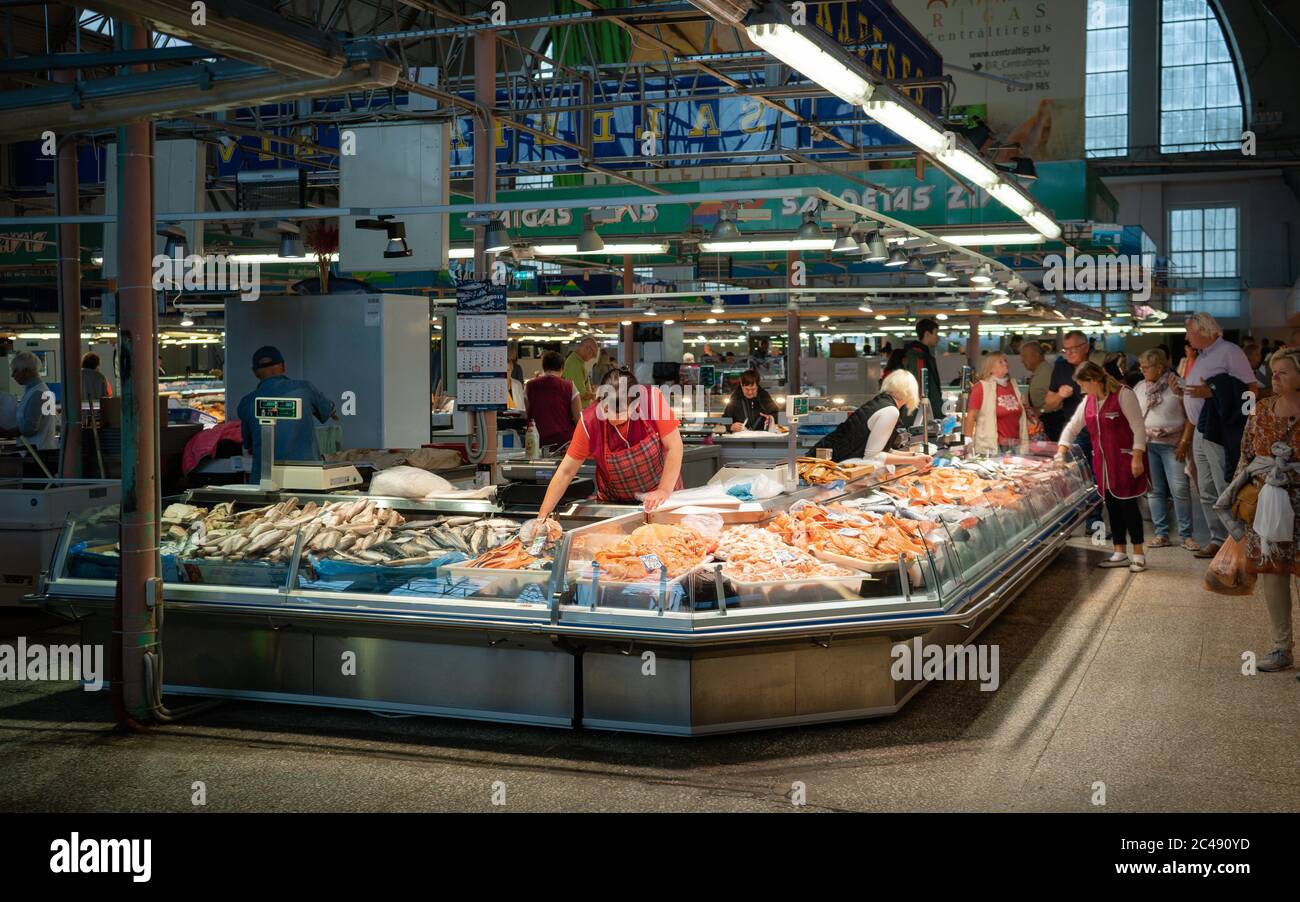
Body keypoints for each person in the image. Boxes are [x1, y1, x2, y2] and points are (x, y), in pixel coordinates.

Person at [529, 368, 684, 524]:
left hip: (661, 499)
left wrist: (663, 490)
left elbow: (674, 446)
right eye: (606, 410)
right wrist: (542, 515)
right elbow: (566, 472)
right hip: (618, 505)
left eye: (621, 412)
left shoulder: (652, 401)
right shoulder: (589, 421)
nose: (613, 418)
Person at [1228, 346, 1300, 672]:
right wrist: (1235, 493)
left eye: (1283, 372)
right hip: (1267, 506)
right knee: (1272, 576)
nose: (1275, 377)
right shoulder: (1262, 409)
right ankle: (1281, 647)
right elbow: (1245, 454)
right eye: (1274, 372)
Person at [1178, 313, 1260, 559]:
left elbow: (1250, 388)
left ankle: (1239, 540)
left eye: (1189, 332)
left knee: (1225, 485)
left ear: (1204, 331)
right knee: (1206, 488)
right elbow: (1201, 391)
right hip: (1201, 430)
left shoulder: (1229, 352)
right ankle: (1218, 538)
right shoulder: (1203, 356)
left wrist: (1247, 423)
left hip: (1220, 431)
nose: (1186, 337)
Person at [1057, 361, 1150, 572]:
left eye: (1083, 384)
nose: (1082, 390)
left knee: (1128, 507)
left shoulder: (1123, 394)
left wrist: (1137, 457)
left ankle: (1138, 553)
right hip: (1103, 463)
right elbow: (1073, 427)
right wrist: (1061, 451)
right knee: (1112, 506)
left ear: (1094, 380)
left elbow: (1138, 428)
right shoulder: (1088, 401)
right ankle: (1119, 551)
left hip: (1125, 460)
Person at [235, 346, 337, 478]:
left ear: (255, 372)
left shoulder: (246, 403)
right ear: (283, 366)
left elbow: (247, 444)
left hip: (265, 480)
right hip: (306, 478)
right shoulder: (304, 389)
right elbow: (327, 410)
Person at [1134, 348, 1197, 551]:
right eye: (1141, 367)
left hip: (1173, 445)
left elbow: (1191, 417)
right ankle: (1161, 533)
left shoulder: (1178, 386)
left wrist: (1185, 442)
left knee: (1179, 489)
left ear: (1159, 367)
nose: (1142, 370)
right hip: (1148, 445)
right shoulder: (1140, 387)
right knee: (1155, 491)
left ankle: (1186, 535)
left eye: (1146, 367)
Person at [812, 370, 934, 466]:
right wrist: (913, 461)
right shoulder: (890, 411)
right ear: (911, 391)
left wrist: (913, 455)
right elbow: (872, 456)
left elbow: (881, 451)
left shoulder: (882, 403)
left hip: (829, 460)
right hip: (826, 466)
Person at [0, 350, 58, 475]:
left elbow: (29, 429)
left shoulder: (37, 394)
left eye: (15, 371)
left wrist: (5, 432)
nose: (12, 375)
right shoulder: (38, 390)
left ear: (26, 371)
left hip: (37, 456)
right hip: (40, 452)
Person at [965, 353, 1028, 455]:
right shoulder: (981, 387)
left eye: (1005, 360)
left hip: (1016, 445)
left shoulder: (1013, 384)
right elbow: (971, 416)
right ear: (990, 368)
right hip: (993, 447)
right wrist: (967, 439)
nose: (1005, 363)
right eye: (1000, 361)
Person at [524, 350, 580, 449]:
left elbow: (529, 412)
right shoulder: (570, 386)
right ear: (562, 368)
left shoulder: (529, 386)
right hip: (564, 442)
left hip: (537, 440)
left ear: (543, 367)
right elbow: (578, 418)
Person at [901, 318, 943, 417]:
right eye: (936, 334)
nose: (938, 337)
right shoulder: (918, 356)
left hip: (921, 410)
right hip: (918, 411)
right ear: (927, 334)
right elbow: (919, 386)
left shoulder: (920, 355)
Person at [562, 337, 599, 407]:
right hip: (578, 412)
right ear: (588, 348)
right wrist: (596, 395)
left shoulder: (577, 362)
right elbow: (579, 393)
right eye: (593, 354)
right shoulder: (575, 364)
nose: (593, 357)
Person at [1020, 340, 1052, 416]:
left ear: (1036, 356)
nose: (1022, 361)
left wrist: (1041, 410)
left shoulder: (1046, 373)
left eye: (1025, 356)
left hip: (1048, 420)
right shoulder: (1039, 372)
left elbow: (1059, 401)